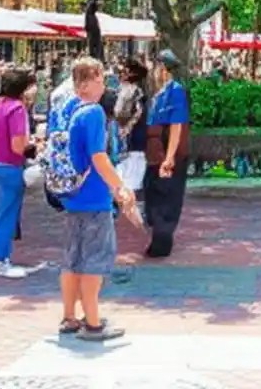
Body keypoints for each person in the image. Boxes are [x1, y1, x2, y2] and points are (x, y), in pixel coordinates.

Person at [58, 58, 134, 341]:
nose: (104, 85)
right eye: (100, 79)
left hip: (72, 196)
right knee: (95, 261)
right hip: (93, 197)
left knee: (72, 259)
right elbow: (98, 157)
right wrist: (119, 187)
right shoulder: (93, 114)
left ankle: (69, 316)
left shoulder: (68, 109)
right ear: (86, 83)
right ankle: (92, 322)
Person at [0, 68, 37, 278]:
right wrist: (32, 148)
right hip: (10, 164)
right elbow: (17, 145)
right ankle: (2, 259)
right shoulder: (17, 109)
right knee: (7, 214)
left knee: (2, 211)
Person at [143, 50, 191, 258]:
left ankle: (162, 243)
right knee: (153, 195)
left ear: (162, 68)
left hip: (166, 152)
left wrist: (170, 157)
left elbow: (176, 125)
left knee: (167, 198)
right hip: (155, 152)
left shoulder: (175, 91)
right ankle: (158, 239)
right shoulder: (159, 94)